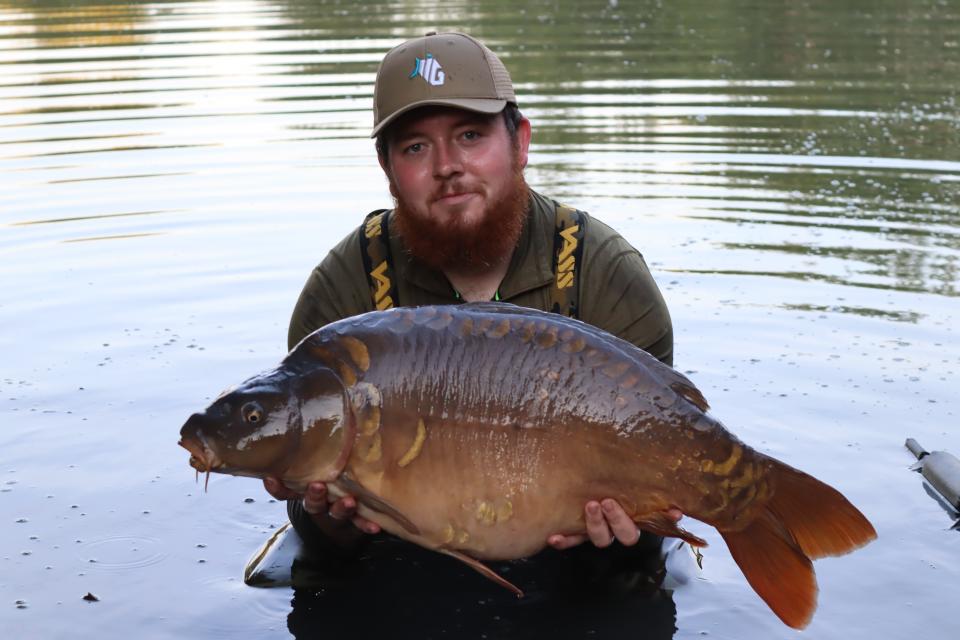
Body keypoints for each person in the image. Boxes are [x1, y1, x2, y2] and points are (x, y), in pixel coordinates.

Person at [263, 31, 680, 583]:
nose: (447, 166)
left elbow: (667, 473)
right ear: (388, 169)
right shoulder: (342, 293)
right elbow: (309, 523)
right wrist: (331, 522)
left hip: (575, 568)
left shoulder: (605, 277)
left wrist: (633, 534)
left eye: (470, 134)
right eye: (415, 147)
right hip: (399, 571)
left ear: (520, 142)